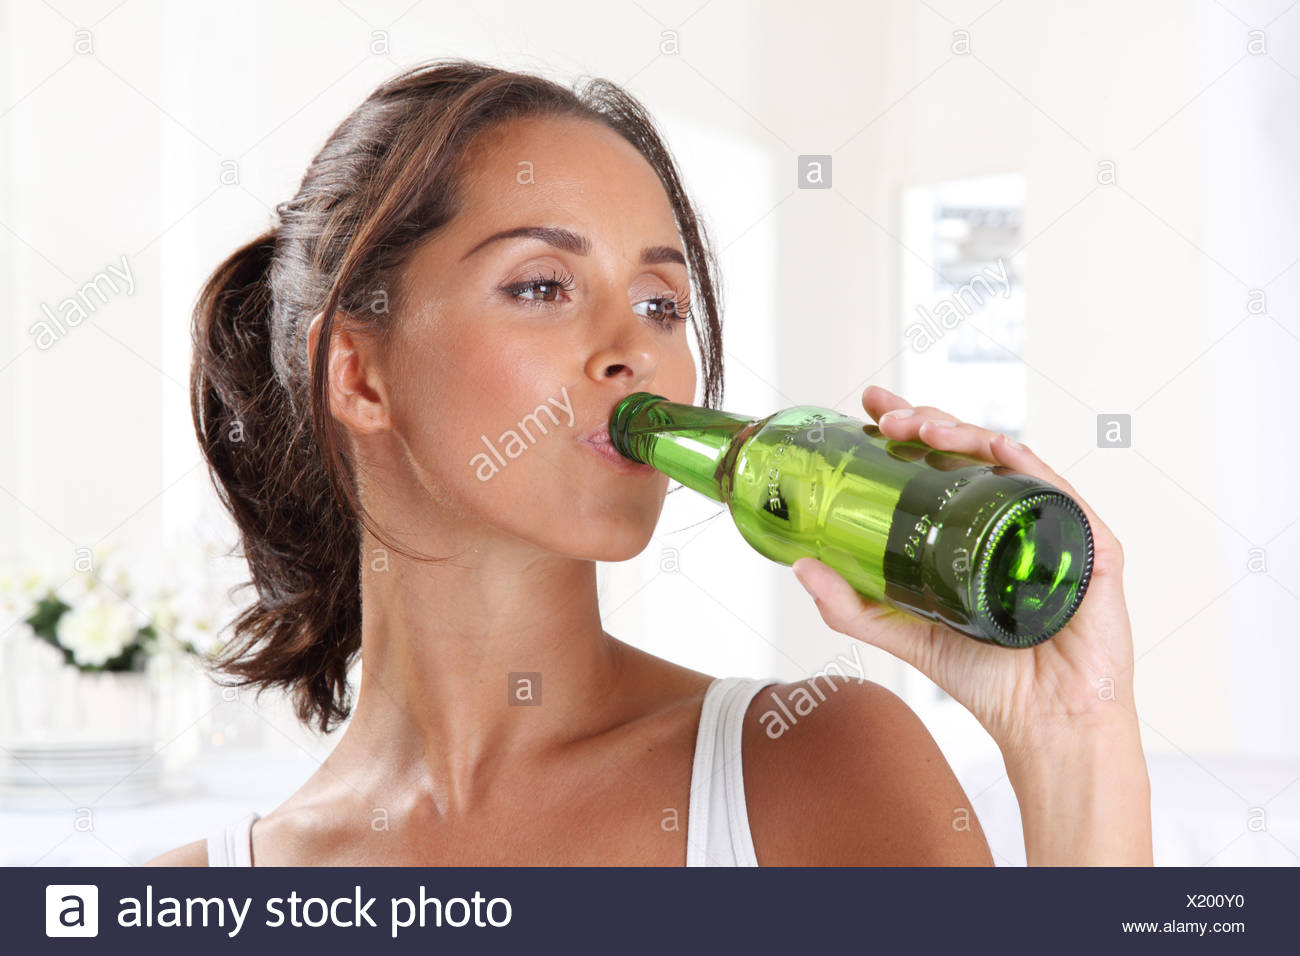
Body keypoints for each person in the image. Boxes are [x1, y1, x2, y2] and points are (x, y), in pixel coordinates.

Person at [149, 58, 1151, 867]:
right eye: (543, 285)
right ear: (361, 375)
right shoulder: (201, 894)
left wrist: (1072, 729)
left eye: (663, 303)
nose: (634, 345)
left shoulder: (808, 764)